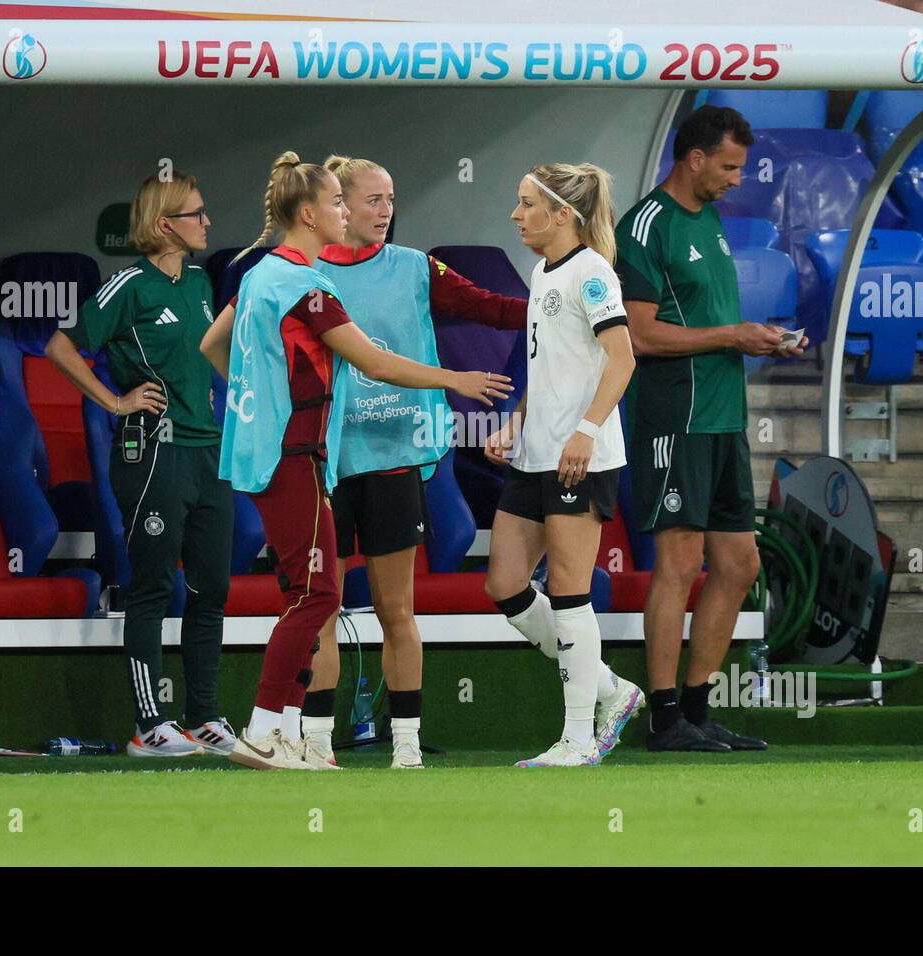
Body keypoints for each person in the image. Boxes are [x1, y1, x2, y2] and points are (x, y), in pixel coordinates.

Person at [200, 151, 511, 771]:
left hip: (301, 458)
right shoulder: (308, 288)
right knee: (317, 599)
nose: (363, 212)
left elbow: (215, 345)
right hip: (306, 460)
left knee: (316, 598)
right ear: (312, 213)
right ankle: (272, 733)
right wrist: (458, 378)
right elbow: (374, 363)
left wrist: (256, 399)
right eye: (345, 202)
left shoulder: (265, 273)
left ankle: (306, 737)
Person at [292, 154, 528, 770]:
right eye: (372, 200)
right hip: (326, 465)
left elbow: (490, 307)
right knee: (320, 606)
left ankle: (405, 748)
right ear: (337, 207)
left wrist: (555, 308)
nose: (384, 211)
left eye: (390, 199)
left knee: (398, 610)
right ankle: (316, 747)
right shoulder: (302, 274)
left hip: (396, 462)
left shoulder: (416, 268)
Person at [614, 106, 804, 754]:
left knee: (740, 562)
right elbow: (638, 333)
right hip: (675, 416)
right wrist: (732, 334)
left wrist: (759, 340)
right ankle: (664, 719)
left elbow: (706, 318)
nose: (736, 179)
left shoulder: (711, 219)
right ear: (694, 158)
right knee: (679, 562)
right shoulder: (643, 226)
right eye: (728, 165)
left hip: (723, 416)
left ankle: (697, 710)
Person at [46, 171, 236, 758]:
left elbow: (216, 358)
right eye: (196, 214)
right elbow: (59, 345)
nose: (207, 222)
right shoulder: (128, 284)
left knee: (212, 589)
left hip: (210, 451)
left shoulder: (204, 283)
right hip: (153, 451)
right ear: (164, 226)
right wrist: (113, 400)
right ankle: (149, 724)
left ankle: (203, 715)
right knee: (154, 586)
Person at [482, 162, 644, 768]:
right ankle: (609, 687)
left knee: (571, 592)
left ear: (561, 214)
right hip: (536, 453)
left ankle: (578, 739)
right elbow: (550, 364)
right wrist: (517, 420)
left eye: (526, 204)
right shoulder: (539, 271)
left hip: (582, 456)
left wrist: (585, 430)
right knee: (504, 583)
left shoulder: (593, 273)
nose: (516, 215)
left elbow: (621, 359)